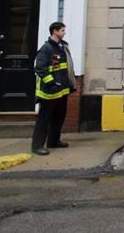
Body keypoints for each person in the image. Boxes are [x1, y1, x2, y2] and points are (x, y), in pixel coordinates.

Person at [31, 21, 76, 155]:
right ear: (55, 31)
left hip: (62, 90)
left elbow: (65, 68)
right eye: (62, 30)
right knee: (44, 119)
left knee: (59, 117)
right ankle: (37, 145)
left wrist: (70, 85)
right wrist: (51, 83)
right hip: (49, 92)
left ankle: (53, 141)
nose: (64, 32)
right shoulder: (46, 49)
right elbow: (40, 68)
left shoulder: (62, 47)